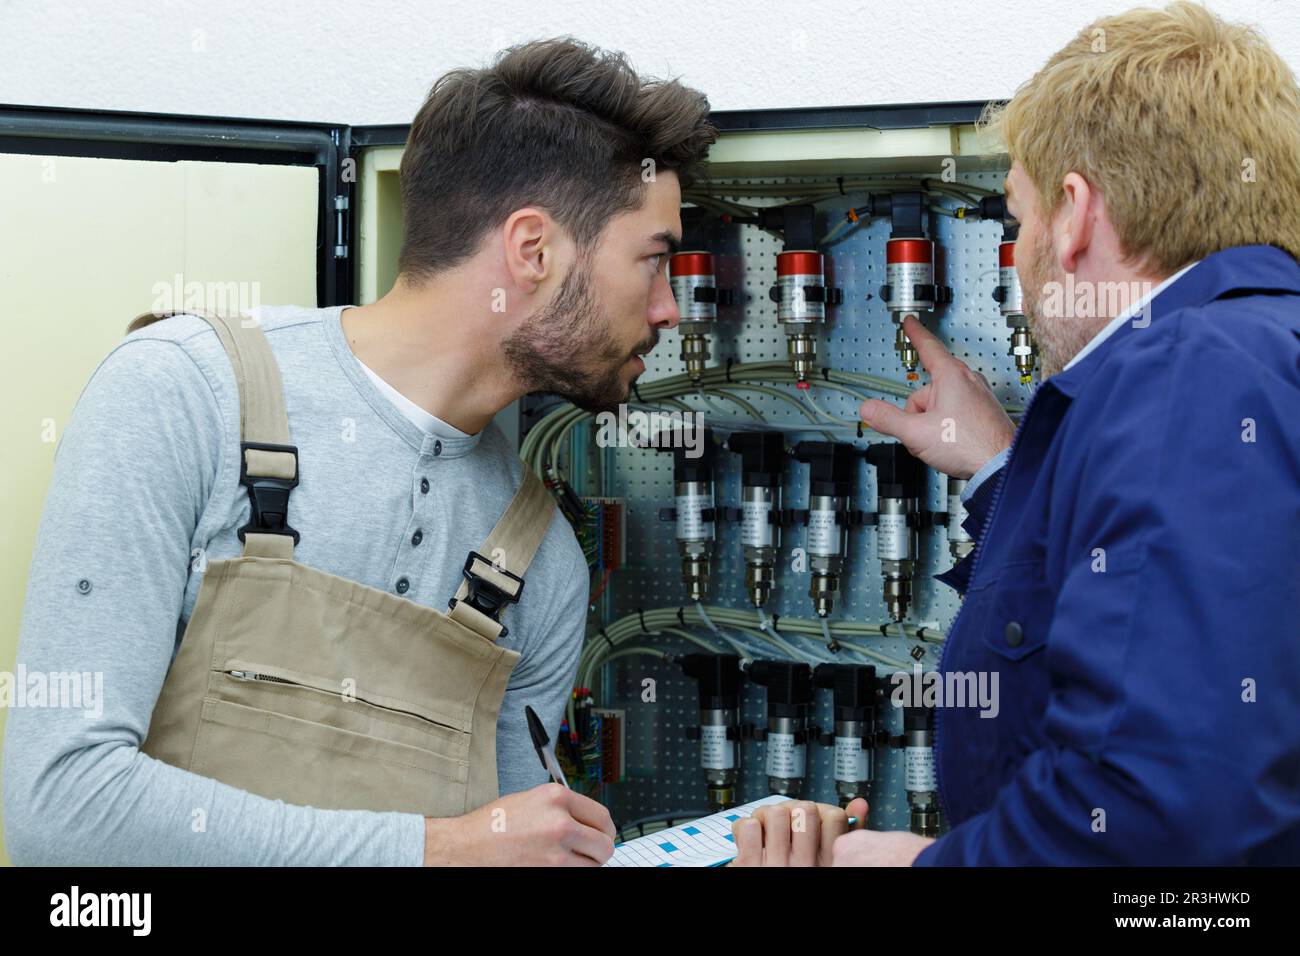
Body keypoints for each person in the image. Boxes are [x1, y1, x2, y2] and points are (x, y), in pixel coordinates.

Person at [3, 37, 715, 866]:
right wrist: (435, 850)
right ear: (533, 251)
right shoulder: (185, 396)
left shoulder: (541, 559)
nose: (670, 311)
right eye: (654, 262)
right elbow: (59, 806)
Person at [734, 1, 1300, 866]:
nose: (1026, 252)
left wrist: (914, 868)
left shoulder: (1189, 371)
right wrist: (1004, 470)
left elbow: (1154, 817)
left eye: (1019, 215)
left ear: (1073, 215)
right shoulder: (1249, 356)